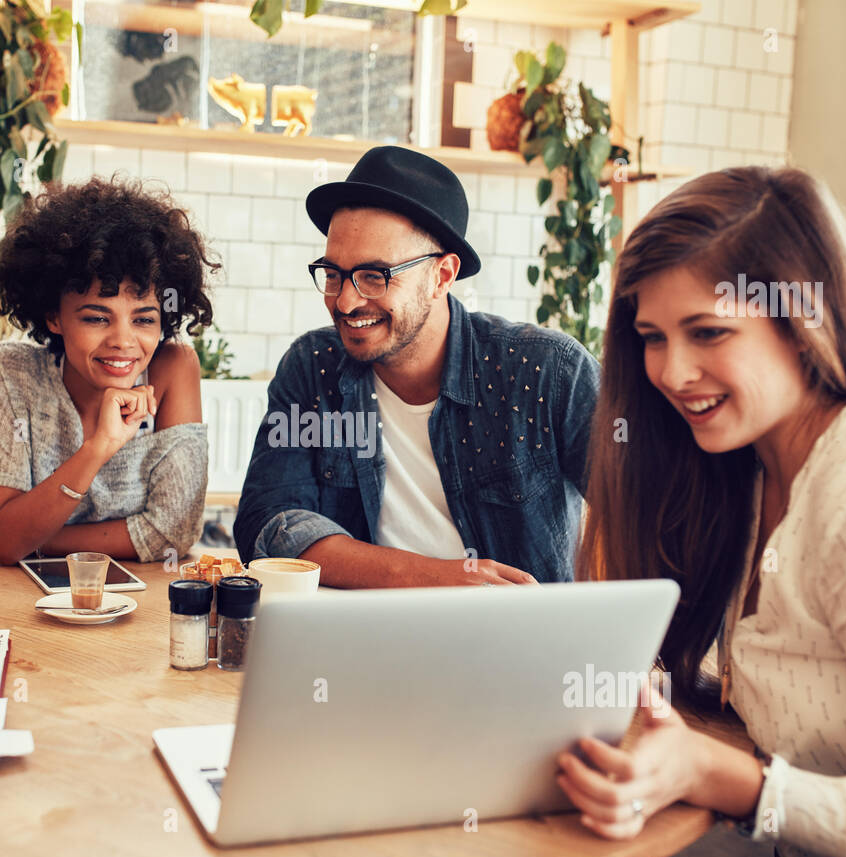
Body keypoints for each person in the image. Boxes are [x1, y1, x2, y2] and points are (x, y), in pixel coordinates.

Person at [562, 166, 846, 857]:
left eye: (709, 332)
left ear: (805, 320)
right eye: (653, 336)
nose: (670, 372)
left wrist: (736, 783)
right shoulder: (750, 468)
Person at [233, 146, 599, 587]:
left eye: (374, 276)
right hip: (360, 644)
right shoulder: (313, 367)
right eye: (333, 274)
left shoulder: (546, 371)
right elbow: (269, 525)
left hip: (518, 647)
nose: (346, 301)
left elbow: (644, 511)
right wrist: (434, 578)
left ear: (442, 276)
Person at [0, 176, 211, 565]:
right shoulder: (10, 372)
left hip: (142, 602)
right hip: (22, 600)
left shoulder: (173, 369)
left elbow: (171, 535)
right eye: (97, 318)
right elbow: (4, 541)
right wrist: (98, 448)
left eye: (144, 320)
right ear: (53, 316)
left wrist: (33, 540)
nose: (123, 341)